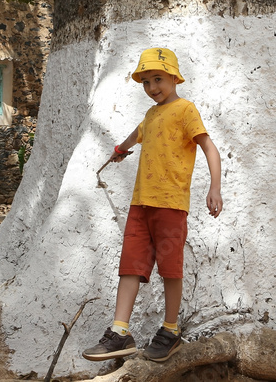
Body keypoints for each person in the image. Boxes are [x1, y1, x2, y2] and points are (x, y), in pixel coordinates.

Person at [83, 47, 223, 364]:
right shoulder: (150, 114)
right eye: (146, 82)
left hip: (171, 206)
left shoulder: (186, 110)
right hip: (140, 204)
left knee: (170, 268)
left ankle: (170, 330)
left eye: (158, 79)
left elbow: (209, 148)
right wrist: (121, 148)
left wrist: (215, 187)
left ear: (174, 77)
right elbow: (139, 133)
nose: (152, 87)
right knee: (130, 264)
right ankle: (120, 332)